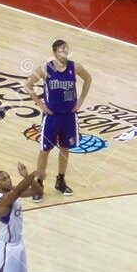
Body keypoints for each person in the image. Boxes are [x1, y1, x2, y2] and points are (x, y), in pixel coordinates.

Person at [27, 40, 91, 200]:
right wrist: (40, 103)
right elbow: (27, 85)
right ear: (55, 52)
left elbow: (88, 79)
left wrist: (81, 99)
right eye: (62, 50)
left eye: (66, 50)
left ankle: (60, 180)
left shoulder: (75, 67)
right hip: (52, 117)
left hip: (69, 116)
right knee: (45, 150)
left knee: (65, 148)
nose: (65, 52)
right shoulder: (45, 68)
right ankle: (39, 183)